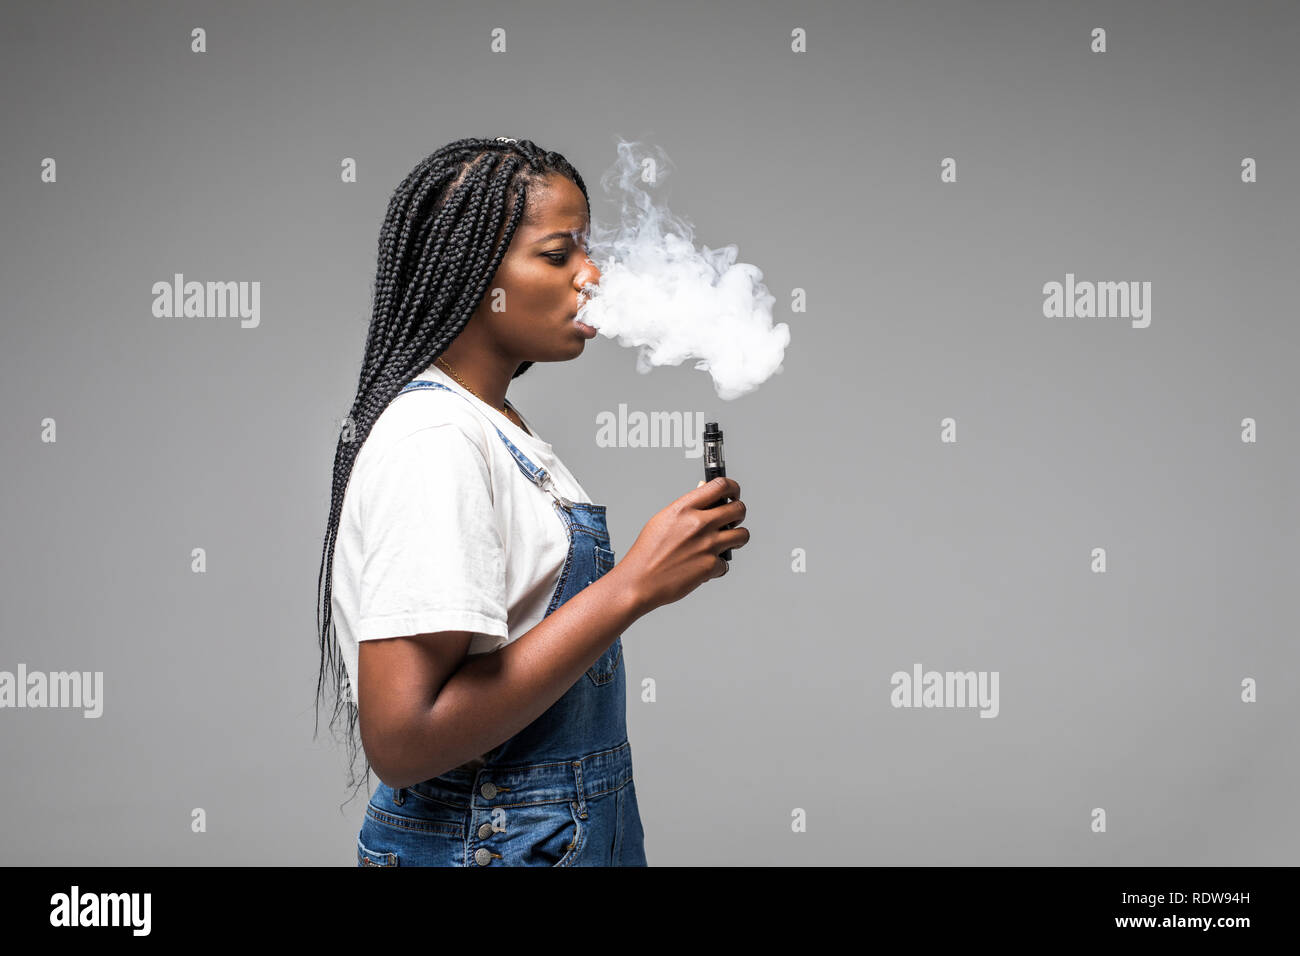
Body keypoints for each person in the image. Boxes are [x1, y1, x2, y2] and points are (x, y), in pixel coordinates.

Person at [314, 137, 749, 866]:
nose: (593, 276)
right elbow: (403, 740)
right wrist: (634, 585)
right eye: (558, 255)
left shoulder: (495, 424)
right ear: (474, 274)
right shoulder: (435, 438)